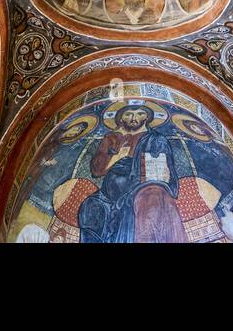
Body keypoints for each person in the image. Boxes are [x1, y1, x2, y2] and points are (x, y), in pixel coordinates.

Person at [77, 104, 188, 242]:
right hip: (108, 195)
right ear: (121, 118)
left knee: (150, 201)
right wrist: (117, 155)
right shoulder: (111, 138)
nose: (134, 118)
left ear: (147, 117)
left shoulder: (156, 139)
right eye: (128, 114)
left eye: (140, 113)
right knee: (90, 207)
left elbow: (160, 170)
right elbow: (96, 170)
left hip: (141, 187)